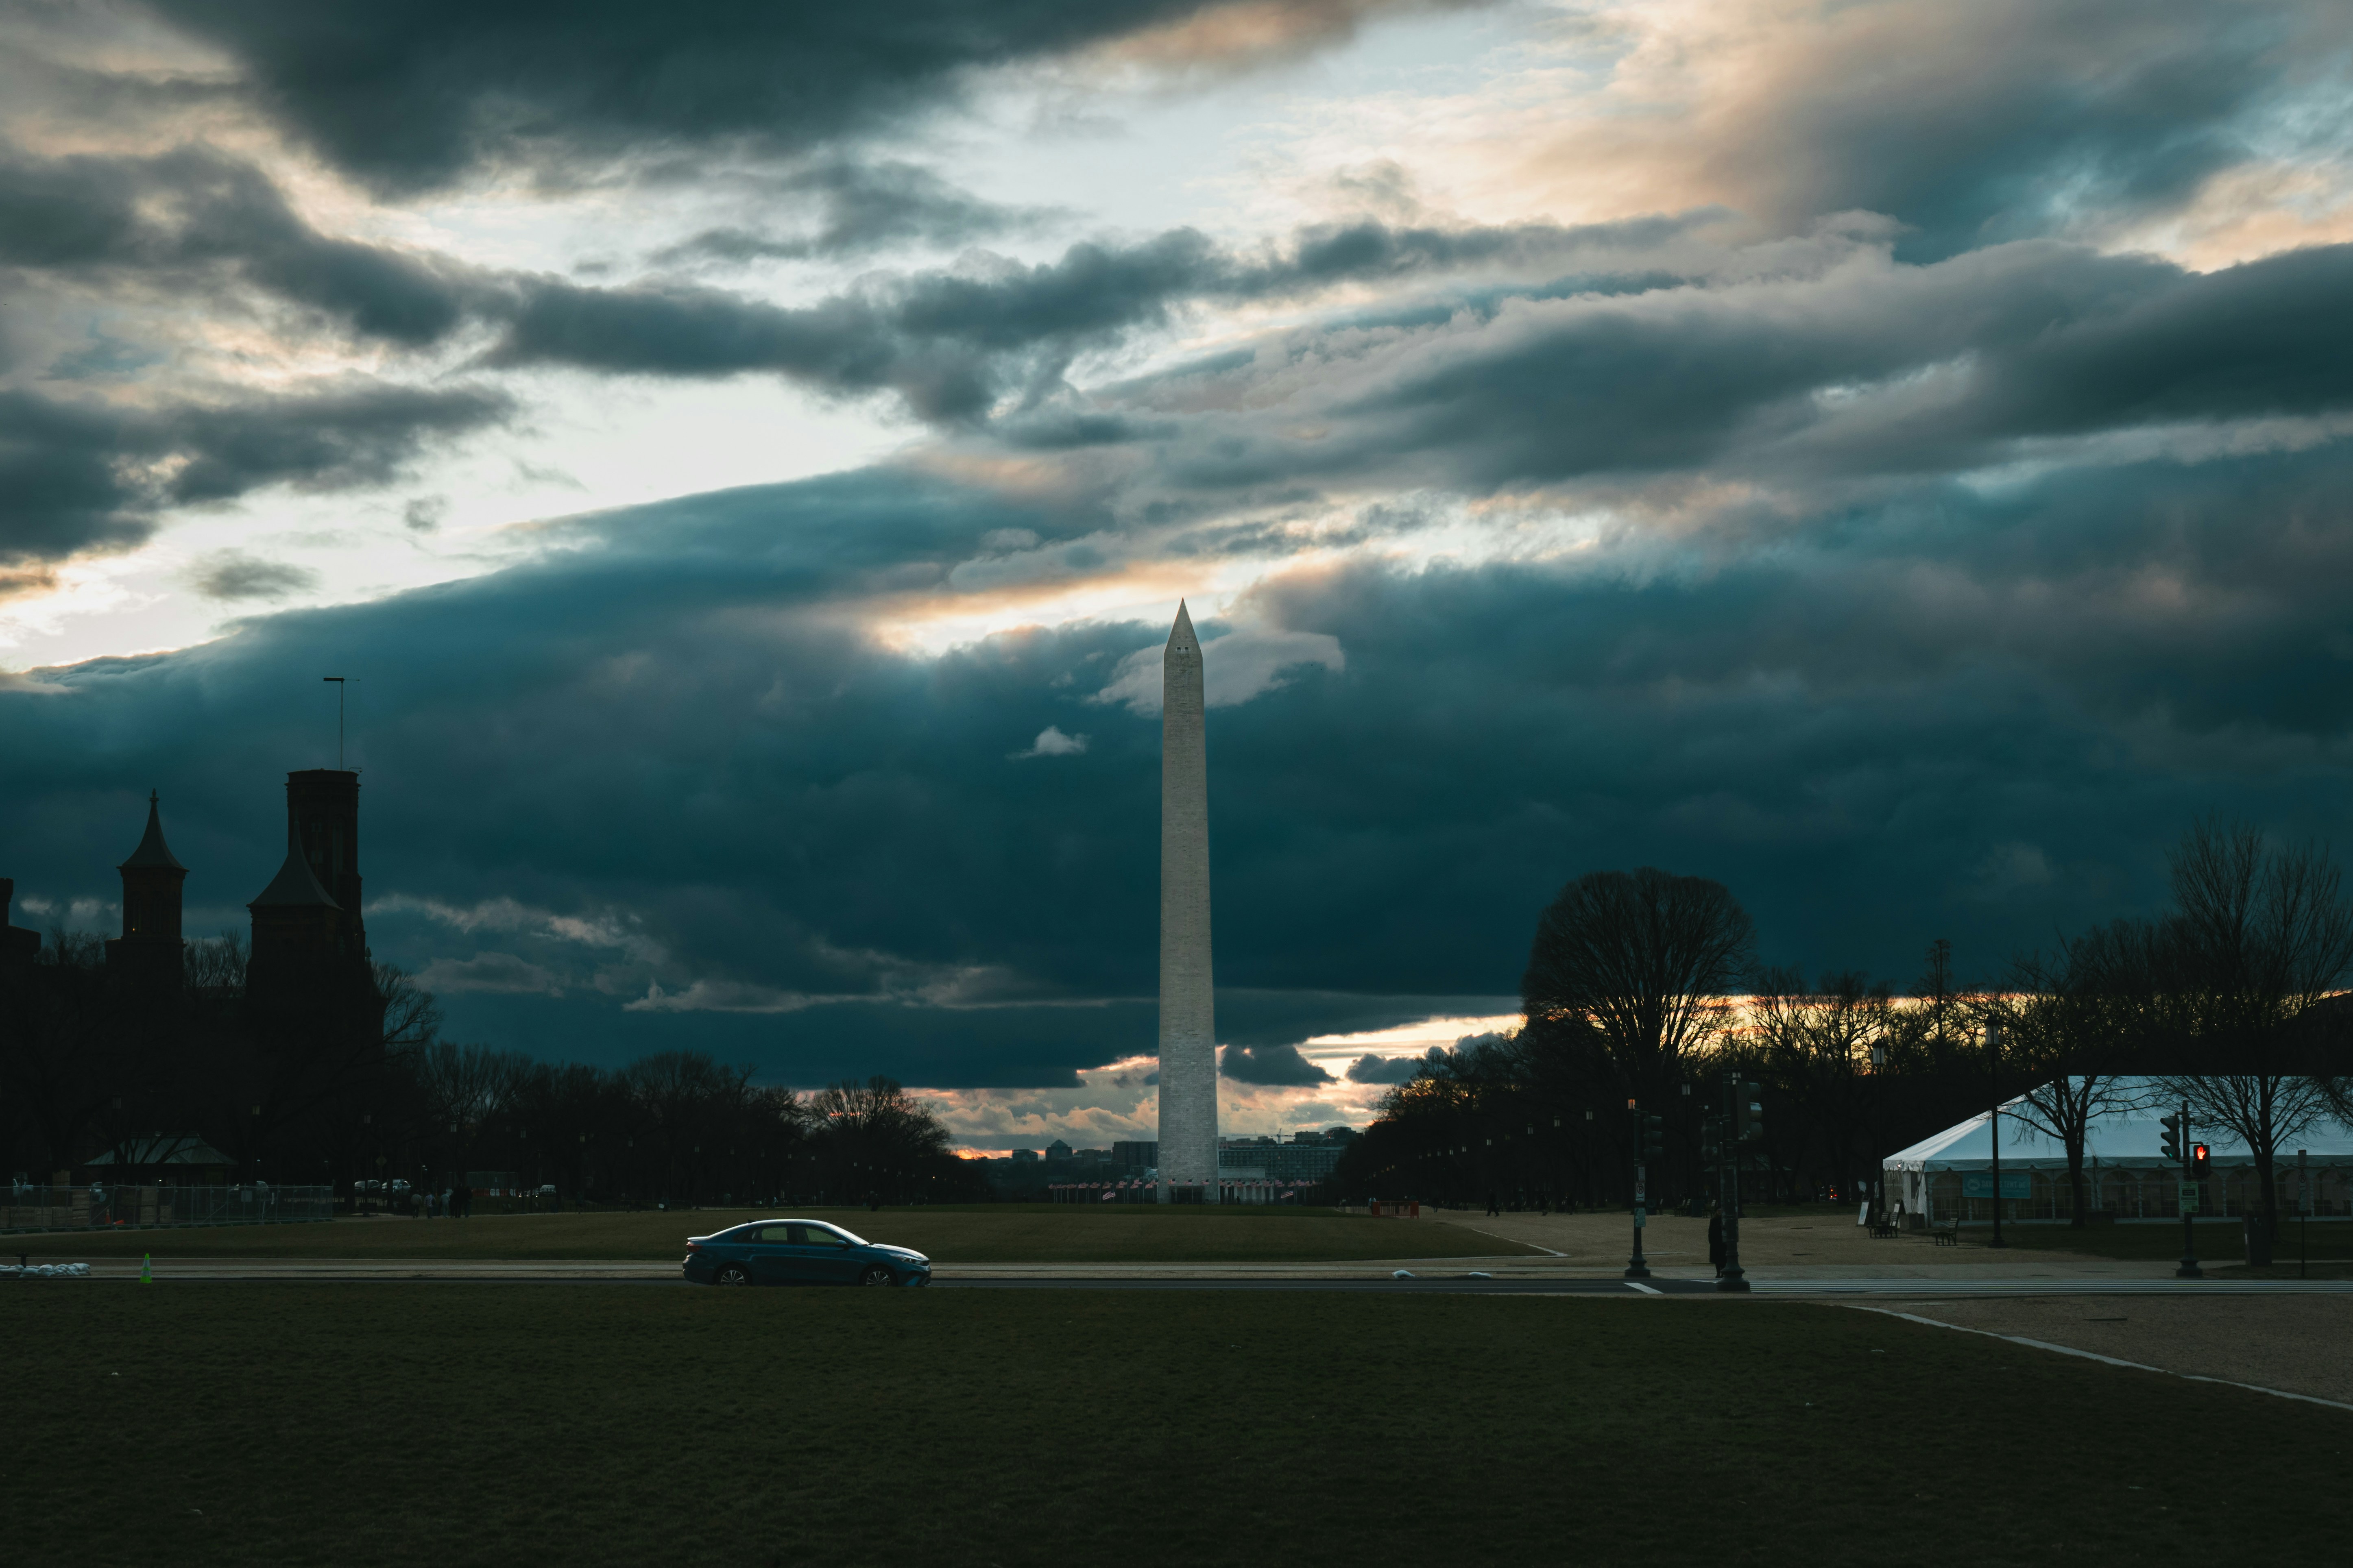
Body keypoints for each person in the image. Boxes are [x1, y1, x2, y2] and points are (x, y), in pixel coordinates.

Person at [1707, 1202, 1726, 1276]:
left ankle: (1723, 1273)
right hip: (1716, 1241)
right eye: (1719, 1211)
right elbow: (1710, 1231)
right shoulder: (1713, 1220)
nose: (1720, 1212)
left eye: (1721, 1211)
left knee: (1723, 1259)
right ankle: (1718, 1272)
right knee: (1717, 1260)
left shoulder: (1724, 1219)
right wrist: (1711, 1240)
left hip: (1723, 1241)